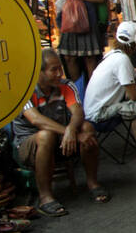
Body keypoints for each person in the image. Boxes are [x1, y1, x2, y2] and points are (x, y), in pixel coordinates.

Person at [13, 48, 106, 216]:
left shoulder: (66, 85)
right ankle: (45, 197)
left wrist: (71, 129)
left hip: (61, 139)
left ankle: (93, 184)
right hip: (30, 144)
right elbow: (36, 120)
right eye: (53, 70)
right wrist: (69, 132)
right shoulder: (24, 90)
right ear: (39, 72)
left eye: (60, 69)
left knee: (87, 128)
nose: (59, 73)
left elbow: (78, 111)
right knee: (45, 136)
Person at [47, 0, 108, 82]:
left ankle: (93, 89)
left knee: (90, 59)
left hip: (89, 23)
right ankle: (78, 90)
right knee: (70, 58)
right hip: (72, 24)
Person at [84, 22, 136, 123]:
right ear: (135, 45)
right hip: (99, 113)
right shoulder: (122, 60)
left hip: (94, 110)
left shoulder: (114, 55)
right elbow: (133, 95)